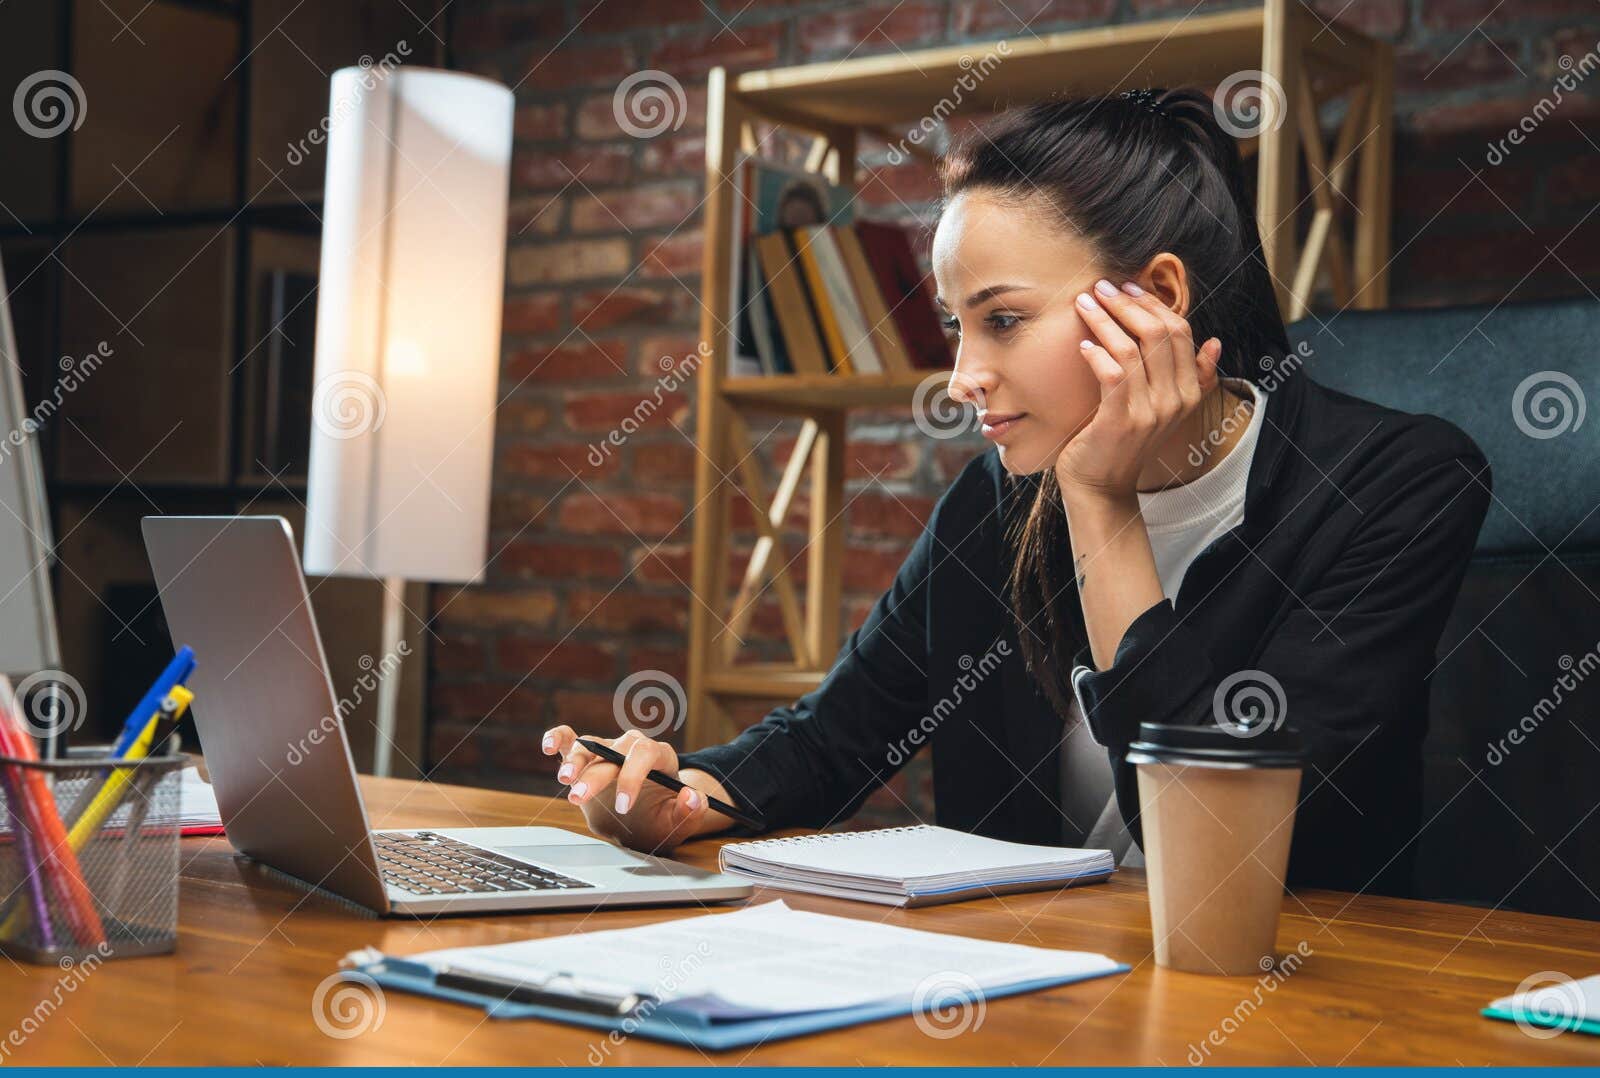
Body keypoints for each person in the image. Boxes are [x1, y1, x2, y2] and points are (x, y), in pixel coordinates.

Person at [540, 88, 1492, 897]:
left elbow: (1214, 846)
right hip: (1031, 1001)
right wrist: (691, 793)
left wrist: (1102, 504)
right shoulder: (996, 501)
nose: (961, 377)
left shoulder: (1396, 487)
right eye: (958, 325)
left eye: (1003, 319)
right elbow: (834, 739)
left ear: (1156, 299)